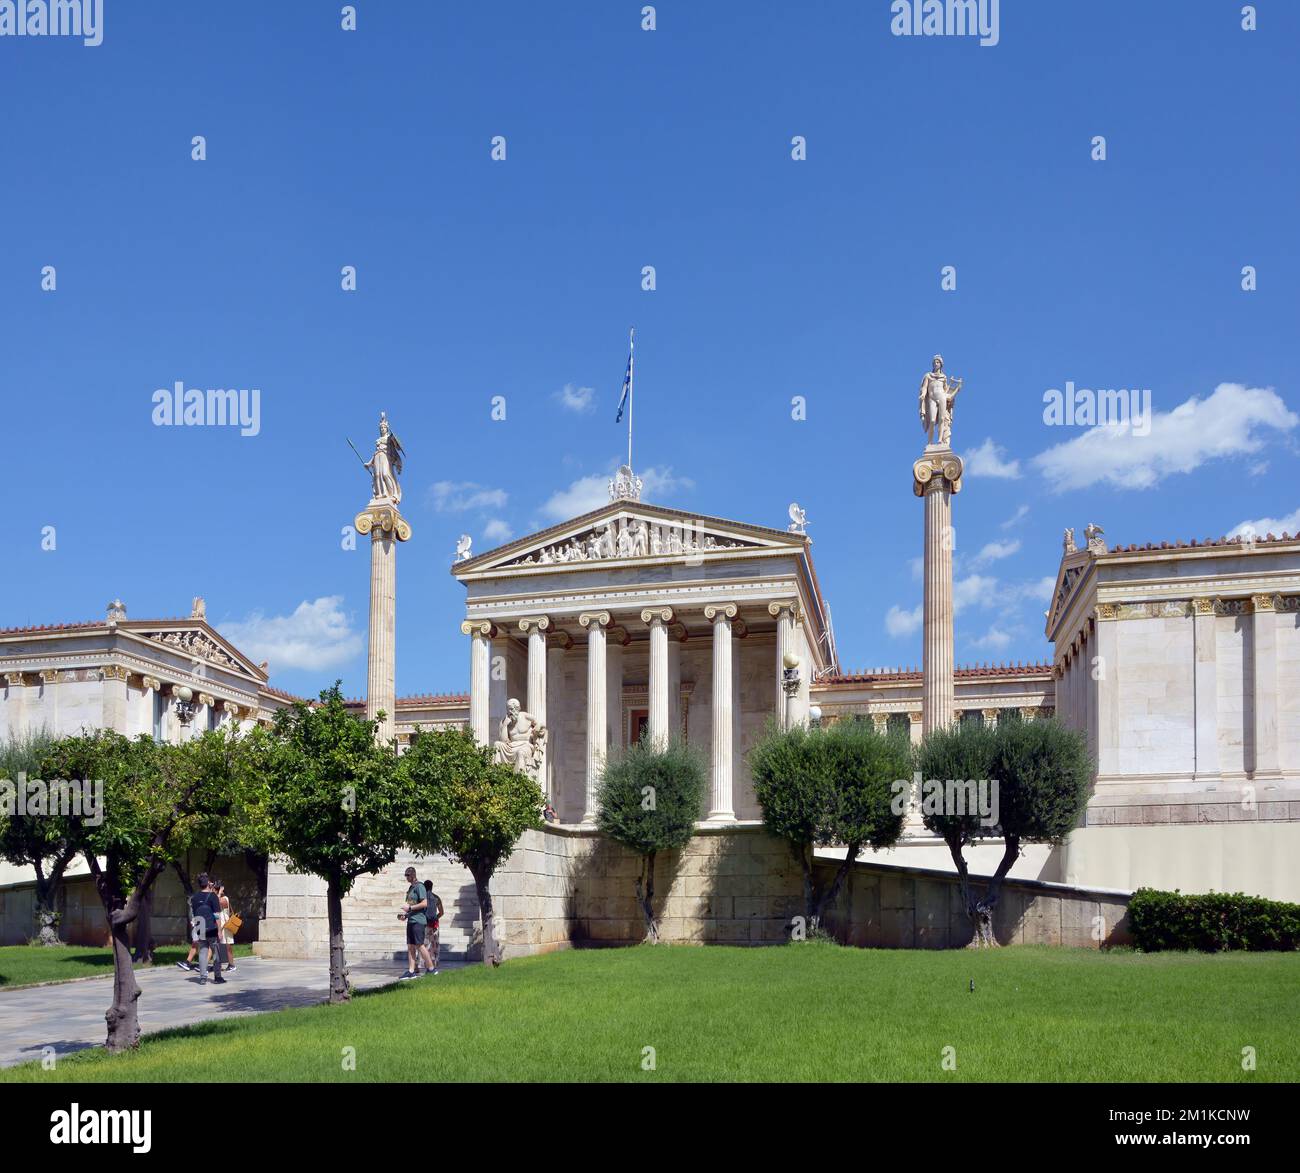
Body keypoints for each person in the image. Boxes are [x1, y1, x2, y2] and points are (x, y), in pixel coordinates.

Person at [189, 874, 226, 986]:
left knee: (202, 952)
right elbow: (217, 915)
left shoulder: (194, 897)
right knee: (215, 951)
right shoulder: (212, 896)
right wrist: (219, 931)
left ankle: (203, 978)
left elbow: (194, 913)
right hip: (212, 927)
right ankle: (218, 976)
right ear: (208, 883)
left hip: (200, 926)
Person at [397, 866, 433, 980]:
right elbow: (410, 907)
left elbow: (424, 903)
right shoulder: (410, 888)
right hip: (411, 920)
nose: (407, 877)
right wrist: (405, 915)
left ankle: (431, 969)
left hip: (419, 920)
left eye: (408, 875)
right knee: (410, 946)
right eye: (405, 875)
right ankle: (411, 971)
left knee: (419, 945)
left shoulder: (420, 886)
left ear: (413, 875)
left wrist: (410, 908)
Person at [422, 879, 444, 975]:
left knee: (425, 946)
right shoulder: (436, 898)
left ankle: (426, 966)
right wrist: (435, 918)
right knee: (434, 946)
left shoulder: (422, 899)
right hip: (435, 925)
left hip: (425, 925)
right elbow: (442, 912)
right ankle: (434, 965)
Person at [215, 880, 237, 973]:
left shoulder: (225, 899)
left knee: (228, 945)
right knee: (219, 945)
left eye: (216, 890)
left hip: (225, 925)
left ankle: (232, 964)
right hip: (220, 924)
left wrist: (219, 893)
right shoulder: (218, 897)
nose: (214, 891)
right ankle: (219, 964)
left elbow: (216, 903)